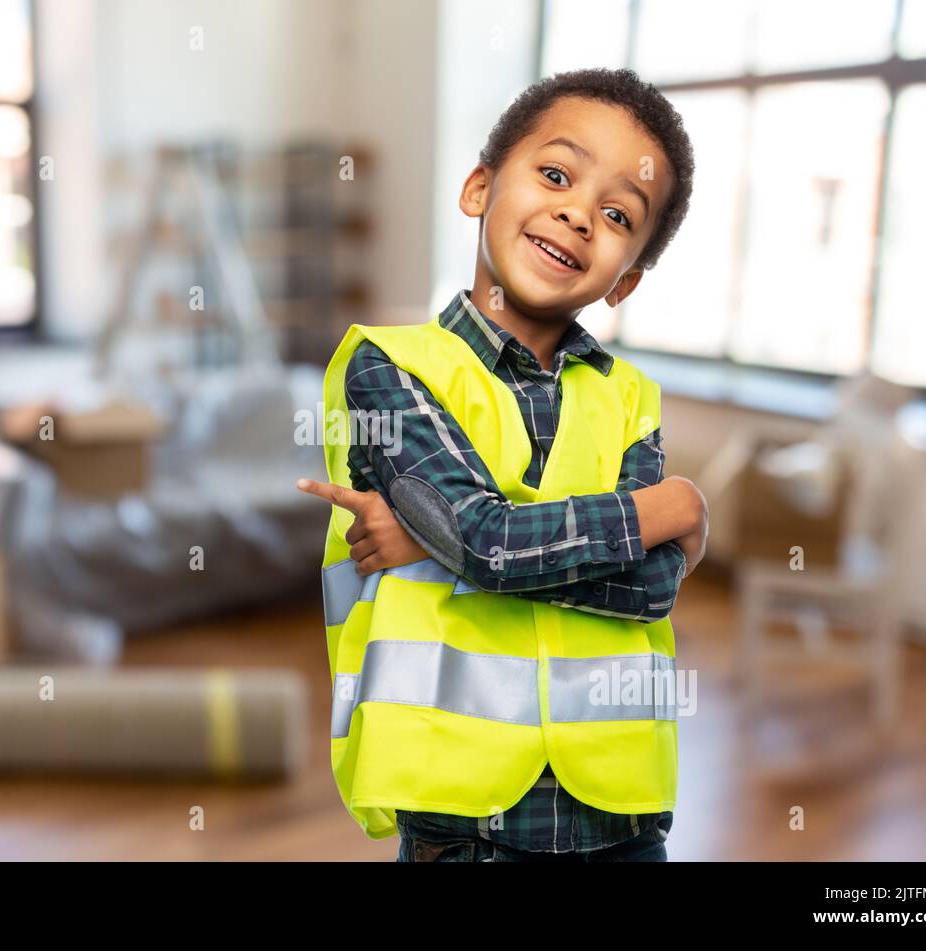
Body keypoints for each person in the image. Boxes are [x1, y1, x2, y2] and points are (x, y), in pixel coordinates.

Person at [298, 67, 708, 862]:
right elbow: (485, 538)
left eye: (618, 214)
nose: (577, 213)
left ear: (625, 279)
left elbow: (655, 584)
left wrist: (437, 543)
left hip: (622, 819)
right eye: (556, 174)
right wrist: (673, 507)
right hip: (465, 823)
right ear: (480, 186)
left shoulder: (630, 397)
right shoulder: (389, 367)